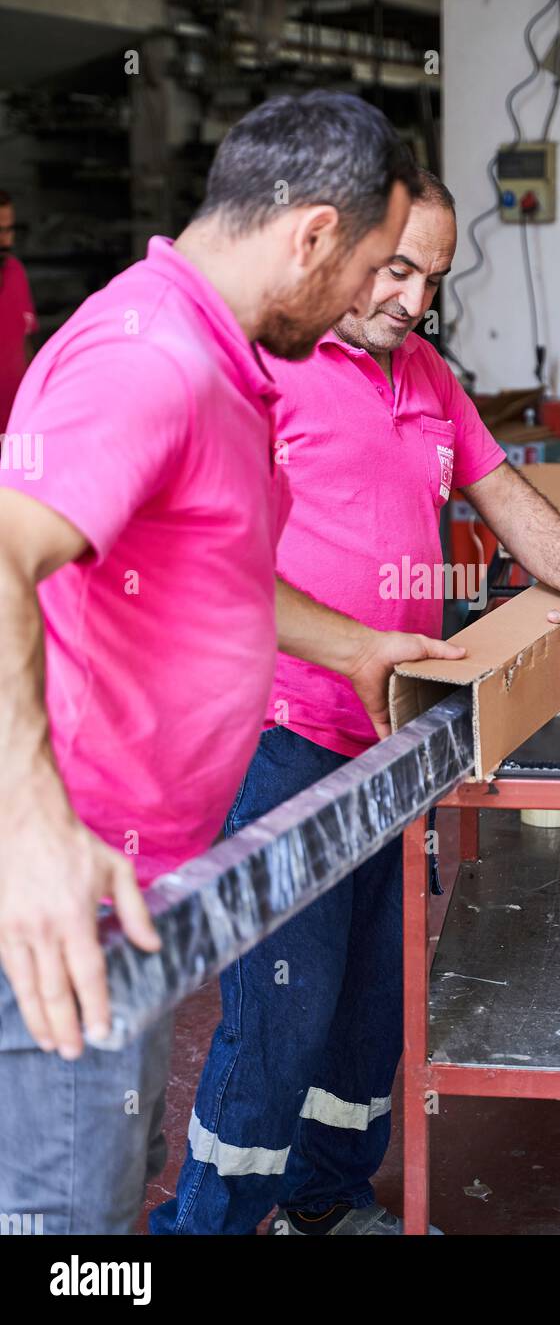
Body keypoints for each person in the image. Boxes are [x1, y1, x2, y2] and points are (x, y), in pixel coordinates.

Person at [0, 92, 471, 1236]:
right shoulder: (151, 359)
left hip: (140, 872)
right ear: (311, 235)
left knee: (109, 1182)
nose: (378, 301)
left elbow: (198, 563)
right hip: (66, 890)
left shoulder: (225, 361)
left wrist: (356, 643)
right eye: (369, 268)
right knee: (67, 1225)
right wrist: (32, 833)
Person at [152, 170, 560, 1237]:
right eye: (398, 269)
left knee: (373, 998)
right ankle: (209, 1224)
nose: (415, 300)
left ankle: (325, 1199)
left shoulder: (423, 374)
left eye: (435, 279)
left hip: (393, 738)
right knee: (286, 1006)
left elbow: (503, 490)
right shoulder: (258, 365)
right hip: (273, 738)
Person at [0, 189, 38, 432]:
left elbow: (25, 345)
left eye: (9, 229)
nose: (7, 241)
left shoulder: (15, 272)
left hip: (16, 433)